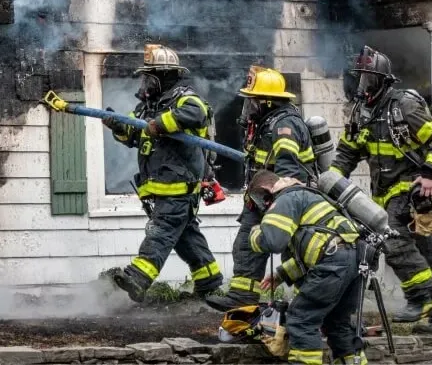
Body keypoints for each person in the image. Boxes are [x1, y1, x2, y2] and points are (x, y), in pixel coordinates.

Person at [330, 45, 432, 332]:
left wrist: (429, 174)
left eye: (369, 79)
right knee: (427, 254)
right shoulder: (361, 113)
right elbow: (347, 155)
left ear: (383, 80)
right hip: (383, 195)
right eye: (360, 78)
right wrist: (331, 184)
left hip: (411, 193)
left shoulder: (404, 107)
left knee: (394, 242)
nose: (364, 85)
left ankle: (419, 296)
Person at [102, 44, 223, 301]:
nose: (145, 83)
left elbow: (197, 112)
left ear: (165, 76)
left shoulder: (184, 97)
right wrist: (117, 125)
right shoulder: (148, 106)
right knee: (186, 239)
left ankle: (138, 278)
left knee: (161, 231)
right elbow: (134, 134)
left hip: (179, 186)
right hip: (160, 187)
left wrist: (160, 124)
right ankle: (209, 283)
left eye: (150, 77)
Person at [207, 66, 318, 313]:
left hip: (285, 200)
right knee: (246, 244)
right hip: (261, 199)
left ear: (268, 102)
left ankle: (311, 306)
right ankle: (242, 296)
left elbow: (288, 170)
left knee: (295, 255)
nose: (248, 107)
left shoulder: (284, 125)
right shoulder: (266, 123)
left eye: (253, 102)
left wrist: (278, 203)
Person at [247, 169, 365, 365]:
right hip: (356, 260)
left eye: (260, 200)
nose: (263, 206)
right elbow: (316, 251)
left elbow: (273, 242)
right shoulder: (307, 195)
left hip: (335, 263)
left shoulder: (285, 199)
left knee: (301, 319)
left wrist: (254, 233)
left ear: (264, 190)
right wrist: (281, 274)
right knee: (337, 323)